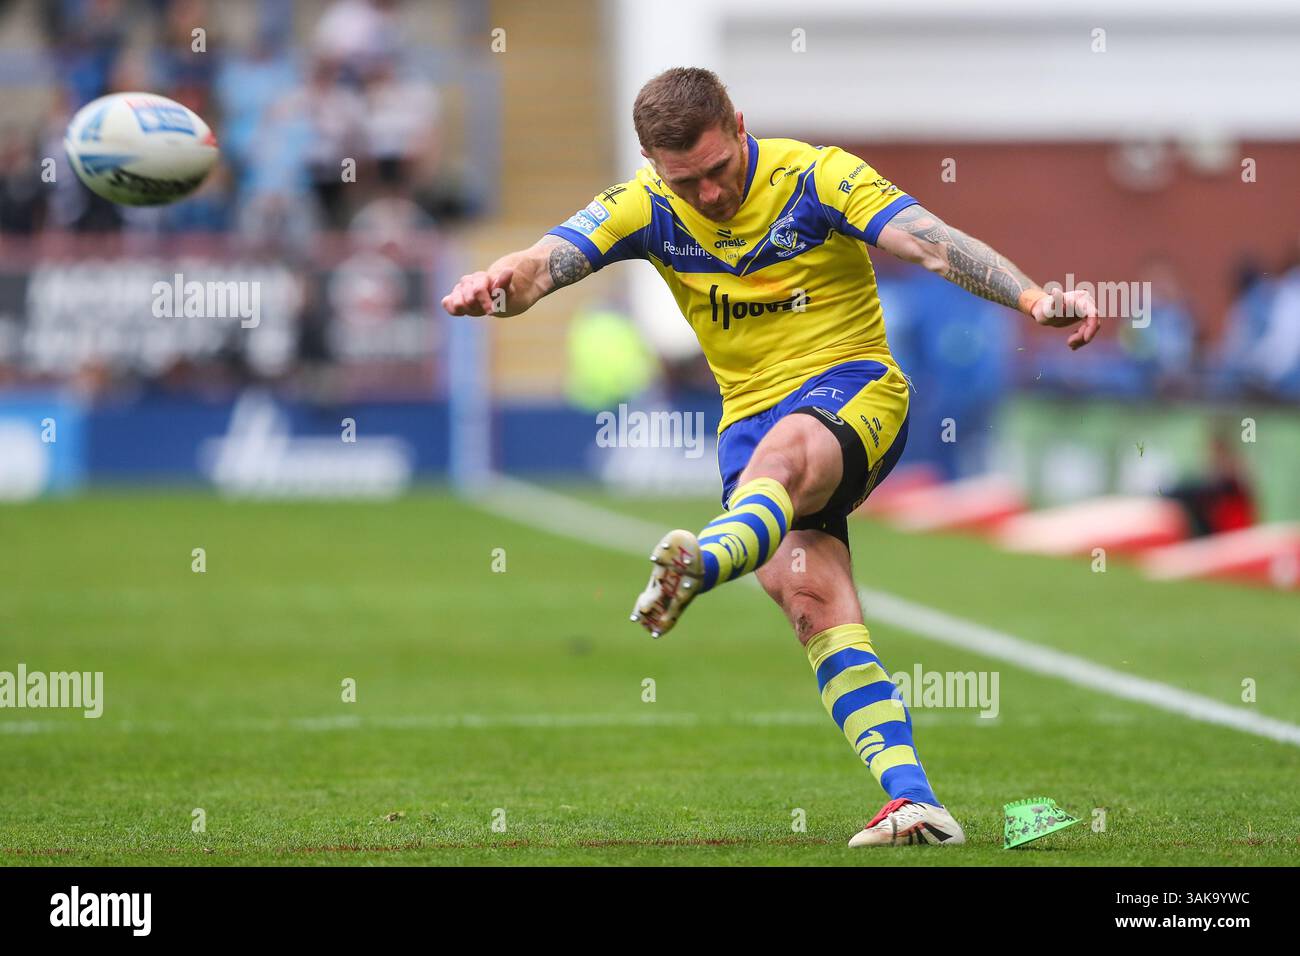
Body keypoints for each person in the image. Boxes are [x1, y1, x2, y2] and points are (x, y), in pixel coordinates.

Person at [442, 67, 1099, 847]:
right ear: (653, 165)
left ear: (740, 125)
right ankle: (916, 805)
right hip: (747, 431)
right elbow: (540, 266)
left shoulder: (818, 177)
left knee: (783, 458)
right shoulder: (643, 207)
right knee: (813, 606)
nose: (710, 193)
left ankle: (703, 563)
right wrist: (495, 287)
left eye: (718, 169)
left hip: (854, 391)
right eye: (686, 182)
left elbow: (931, 243)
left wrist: (1033, 298)